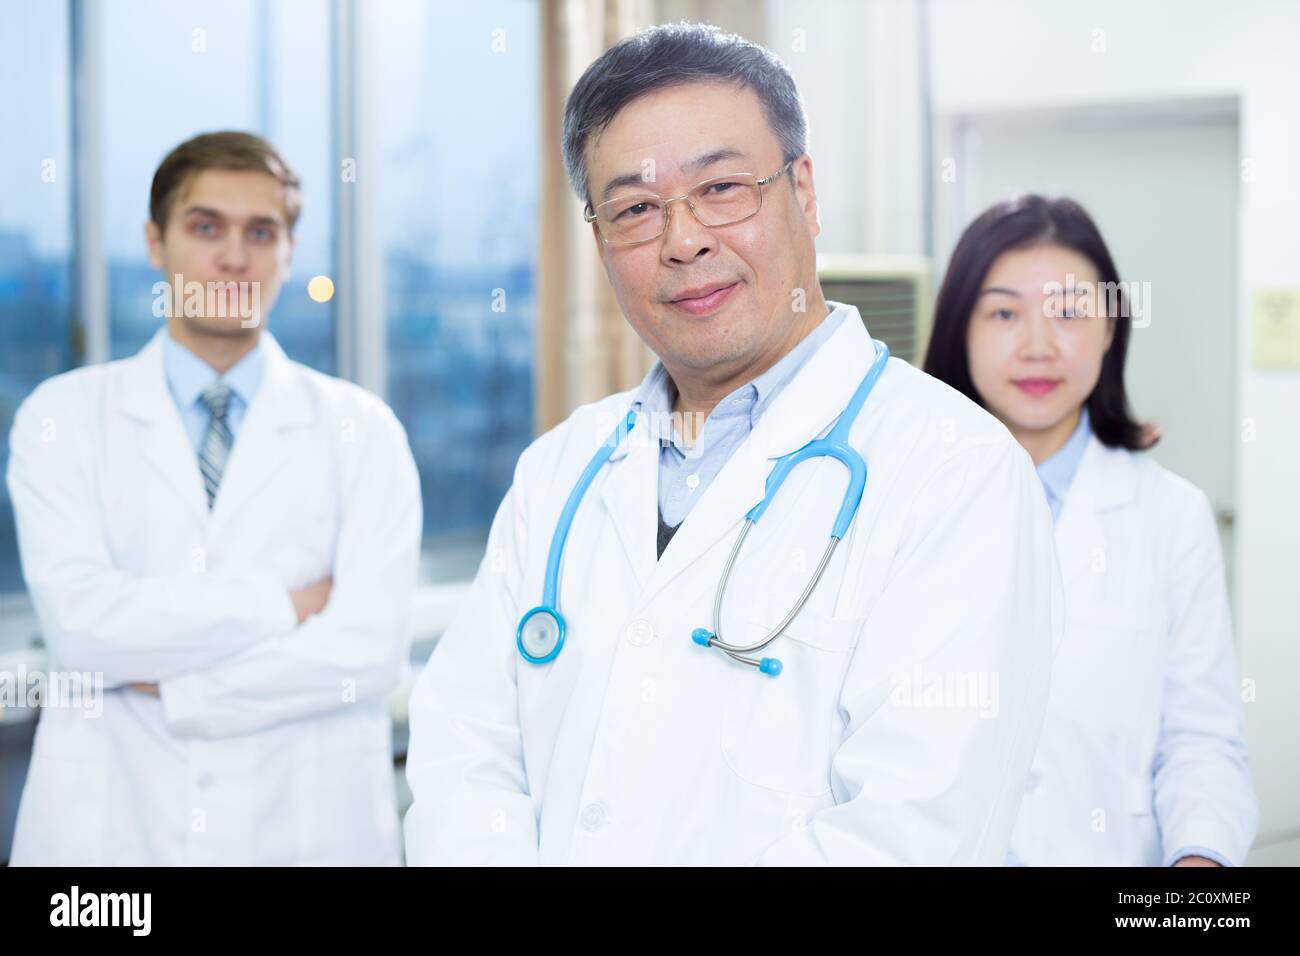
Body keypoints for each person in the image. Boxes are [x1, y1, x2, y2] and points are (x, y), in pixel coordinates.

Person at [403, 23, 1061, 866]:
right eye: (635, 209)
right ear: (600, 241)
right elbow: (466, 756)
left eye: (722, 188)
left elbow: (914, 829)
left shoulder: (954, 468)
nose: (683, 240)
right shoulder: (561, 468)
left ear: (806, 194)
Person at [6, 131, 421, 865]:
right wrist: (286, 607)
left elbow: (366, 650)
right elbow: (81, 630)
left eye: (261, 232)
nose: (234, 256)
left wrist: (171, 687)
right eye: (205, 227)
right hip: (110, 839)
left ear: (290, 251)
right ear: (154, 242)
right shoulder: (61, 417)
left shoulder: (364, 430)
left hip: (303, 830)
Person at [923, 194, 1258, 866]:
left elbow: (1200, 741)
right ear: (961, 327)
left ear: (1112, 328)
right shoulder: (906, 501)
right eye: (1005, 313)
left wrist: (1199, 863)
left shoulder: (1171, 517)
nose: (1038, 346)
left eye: (1071, 313)